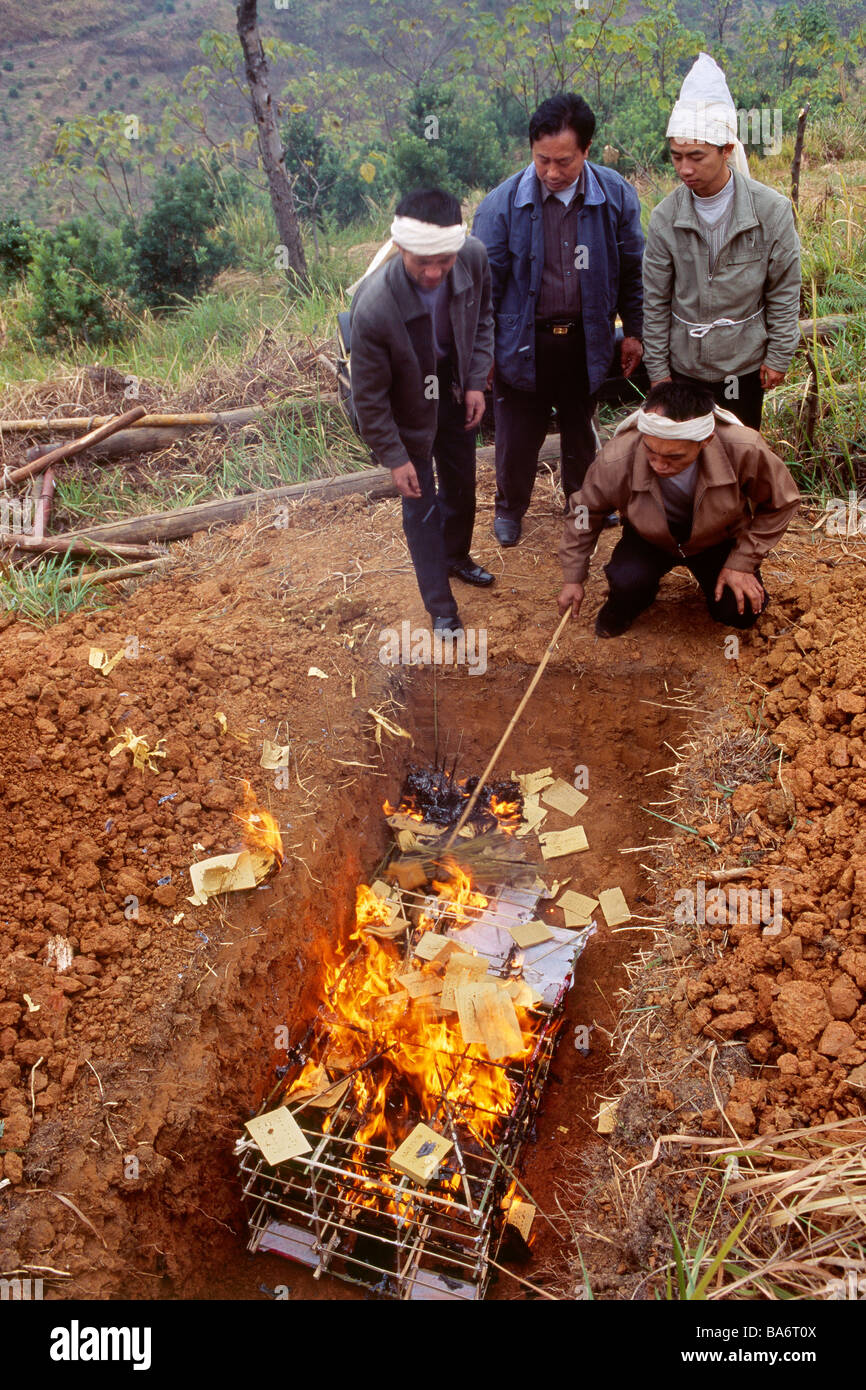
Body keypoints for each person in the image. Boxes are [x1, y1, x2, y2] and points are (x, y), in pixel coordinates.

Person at [473, 92, 644, 547]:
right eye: (541, 160)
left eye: (563, 161)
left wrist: (636, 333)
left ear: (587, 150)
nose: (551, 172)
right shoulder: (501, 206)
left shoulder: (615, 196)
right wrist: (482, 351)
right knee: (515, 438)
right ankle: (509, 508)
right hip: (522, 342)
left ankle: (582, 502)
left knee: (580, 429)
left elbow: (633, 272)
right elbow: (481, 289)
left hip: (587, 339)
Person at [349, 188, 494, 635]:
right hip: (405, 400)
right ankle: (441, 607)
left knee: (462, 484)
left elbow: (484, 318)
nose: (434, 272)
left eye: (443, 262)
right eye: (421, 263)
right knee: (420, 504)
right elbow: (368, 398)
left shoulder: (472, 256)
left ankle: (456, 556)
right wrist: (395, 457)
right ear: (400, 249)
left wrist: (474, 380)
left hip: (451, 383)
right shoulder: (374, 307)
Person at [557, 380, 800, 636]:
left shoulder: (743, 448)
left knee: (740, 612)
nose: (659, 465)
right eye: (651, 452)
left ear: (705, 440)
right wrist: (573, 576)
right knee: (628, 582)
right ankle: (634, 599)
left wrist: (742, 561)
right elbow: (584, 512)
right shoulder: (617, 457)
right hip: (648, 539)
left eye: (674, 457)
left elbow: (781, 502)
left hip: (718, 539)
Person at [642, 52, 801, 430]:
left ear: (727, 150)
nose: (685, 169)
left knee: (736, 453)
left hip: (742, 366)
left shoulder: (771, 211)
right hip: (685, 367)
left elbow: (783, 288)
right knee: (686, 455)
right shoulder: (666, 217)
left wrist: (778, 355)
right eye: (677, 157)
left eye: (696, 156)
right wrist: (659, 370)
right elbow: (655, 299)